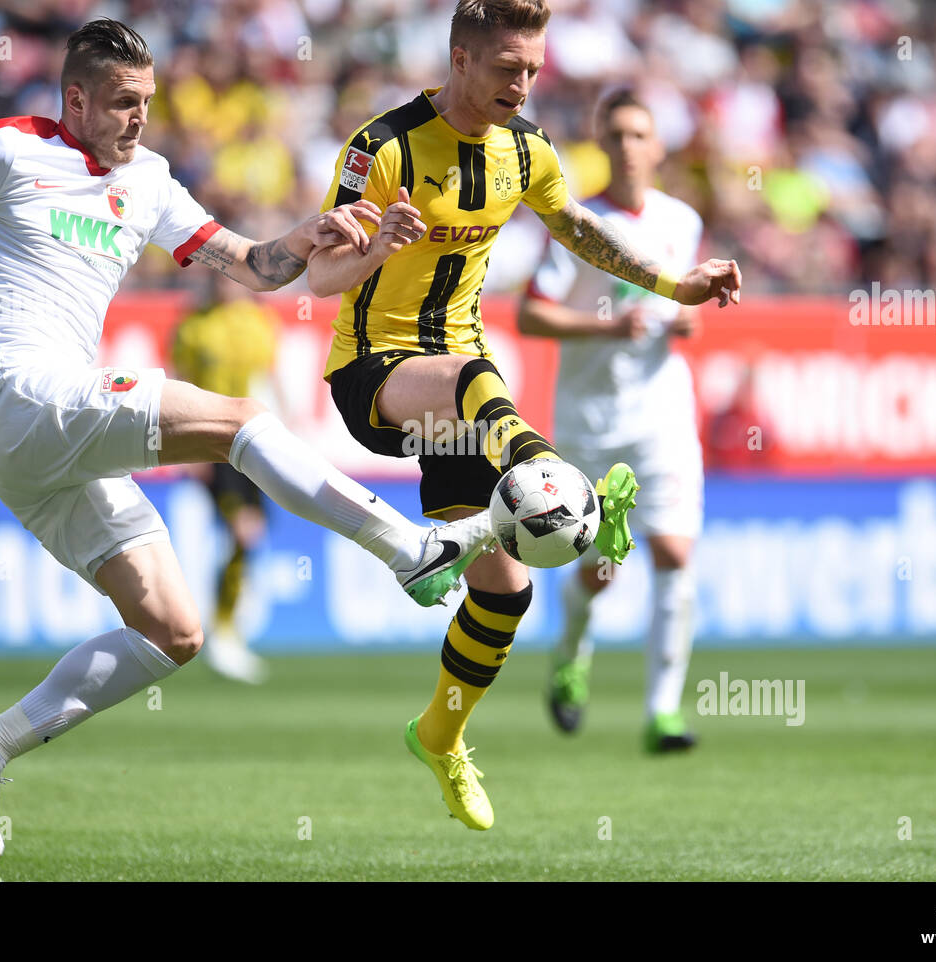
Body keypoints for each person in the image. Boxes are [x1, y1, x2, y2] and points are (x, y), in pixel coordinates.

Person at [0, 18, 485, 860]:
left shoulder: (153, 181)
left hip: (49, 447)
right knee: (240, 422)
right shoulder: (10, 150)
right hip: (23, 395)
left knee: (174, 631)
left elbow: (258, 267)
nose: (139, 119)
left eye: (149, 103)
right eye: (123, 103)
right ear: (76, 97)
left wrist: (322, 234)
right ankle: (407, 548)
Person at [306, 0, 742, 830]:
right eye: (509, 68)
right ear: (460, 60)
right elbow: (320, 279)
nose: (525, 83)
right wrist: (376, 245)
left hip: (463, 403)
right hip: (375, 375)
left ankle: (440, 733)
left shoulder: (526, 149)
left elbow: (577, 227)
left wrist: (676, 286)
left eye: (534, 69)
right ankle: (555, 472)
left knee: (505, 597)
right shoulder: (383, 147)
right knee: (479, 371)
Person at [519, 88, 704, 752]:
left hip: (662, 415)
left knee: (673, 551)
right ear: (602, 144)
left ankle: (663, 712)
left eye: (639, 134)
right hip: (592, 421)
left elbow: (685, 305)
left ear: (657, 146)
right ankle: (571, 652)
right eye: (617, 134)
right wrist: (605, 325)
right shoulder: (576, 222)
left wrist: (688, 314)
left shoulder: (681, 221)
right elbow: (530, 314)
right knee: (602, 566)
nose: (628, 146)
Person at [170, 275, 281, 683]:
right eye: (217, 278)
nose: (224, 286)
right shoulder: (194, 326)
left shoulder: (257, 322)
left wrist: (291, 428)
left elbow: (271, 376)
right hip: (213, 443)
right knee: (243, 530)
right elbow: (180, 384)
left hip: (256, 440)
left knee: (251, 533)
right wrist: (185, 447)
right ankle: (221, 631)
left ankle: (227, 626)